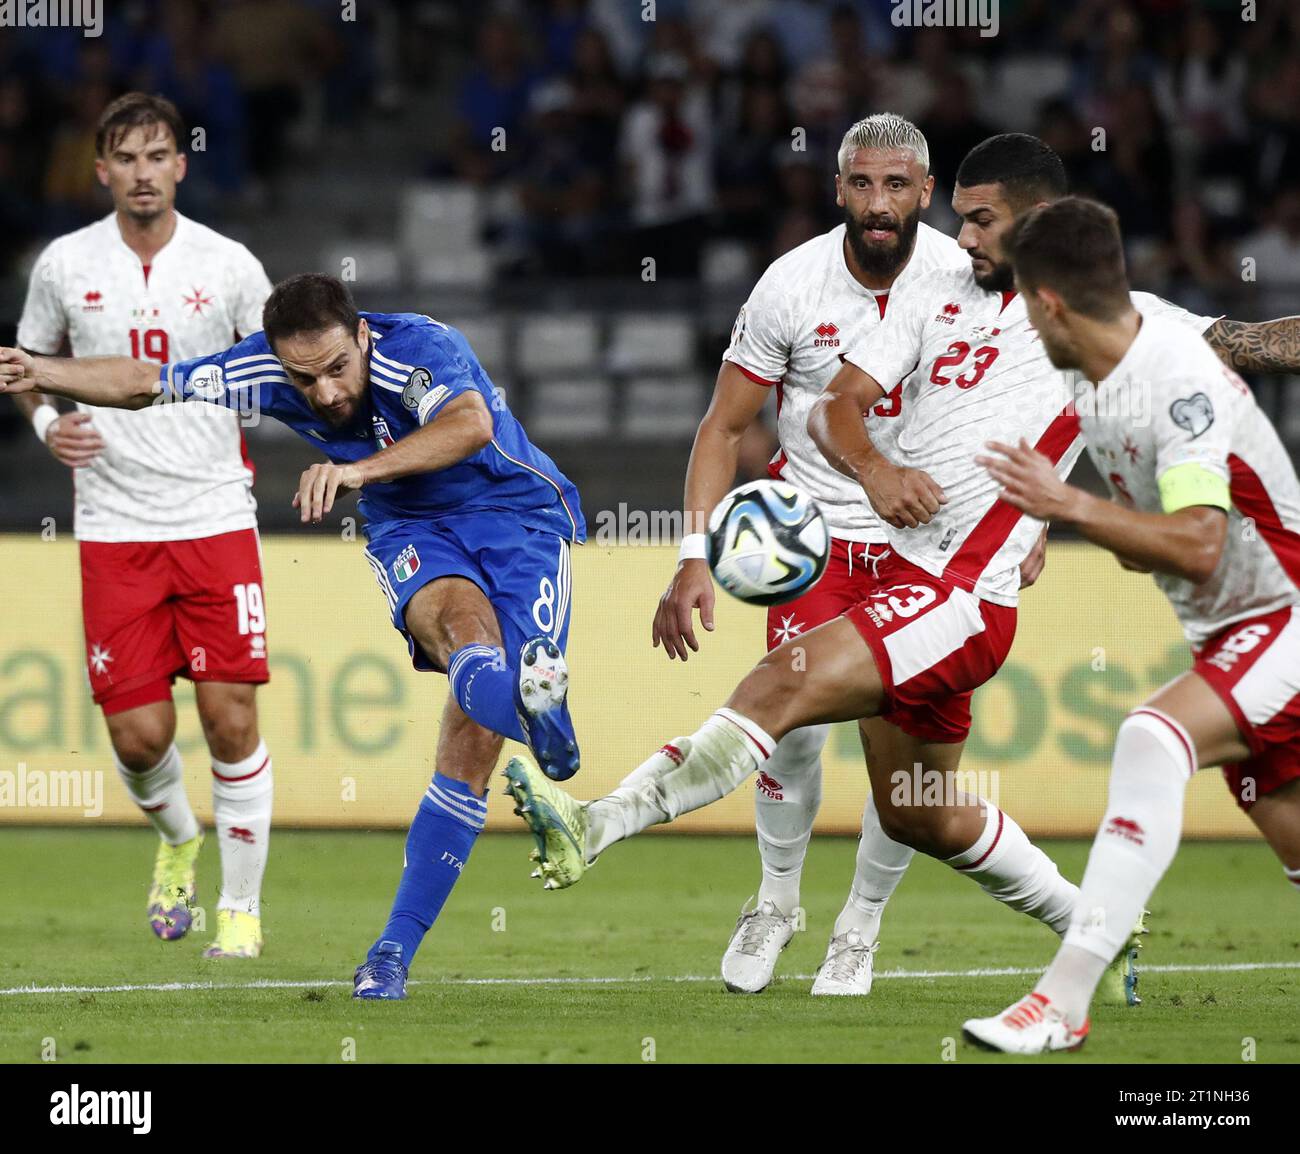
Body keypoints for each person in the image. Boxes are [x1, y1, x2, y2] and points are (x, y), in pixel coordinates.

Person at [501, 135, 1300, 996]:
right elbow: (834, 410)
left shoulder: (1122, 320)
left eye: (982, 221)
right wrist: (876, 471)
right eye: (958, 219)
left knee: (782, 684)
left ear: (1039, 223)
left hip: (960, 596)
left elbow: (1258, 341)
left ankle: (595, 824)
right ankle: (1092, 925)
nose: (963, 238)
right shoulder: (939, 299)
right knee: (921, 811)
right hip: (900, 572)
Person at [0, 273, 585, 1002]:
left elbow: (470, 425)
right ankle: (391, 955)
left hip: (519, 516)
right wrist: (42, 369)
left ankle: (537, 727)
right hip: (413, 526)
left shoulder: (420, 347)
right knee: (462, 636)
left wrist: (356, 471)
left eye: (339, 369)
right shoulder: (264, 369)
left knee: (473, 737)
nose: (328, 394)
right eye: (304, 379)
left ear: (362, 337)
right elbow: (149, 382)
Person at [964, 197, 1300, 1053]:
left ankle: (1061, 1002)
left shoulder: (1175, 380)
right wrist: (1071, 516)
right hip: (1226, 631)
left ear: (1048, 305)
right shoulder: (1098, 354)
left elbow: (1196, 543)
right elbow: (1149, 546)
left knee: (1153, 738)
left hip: (1285, 609)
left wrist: (1066, 505)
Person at [15, 92, 274, 959]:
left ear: (181, 164)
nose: (142, 174)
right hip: (114, 524)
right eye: (125, 159)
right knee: (139, 736)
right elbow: (25, 369)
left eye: (157, 156)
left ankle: (239, 912)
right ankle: (176, 839)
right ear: (102, 172)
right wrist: (52, 426)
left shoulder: (230, 263)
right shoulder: (64, 263)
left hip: (213, 516)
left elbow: (280, 364)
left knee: (230, 715)